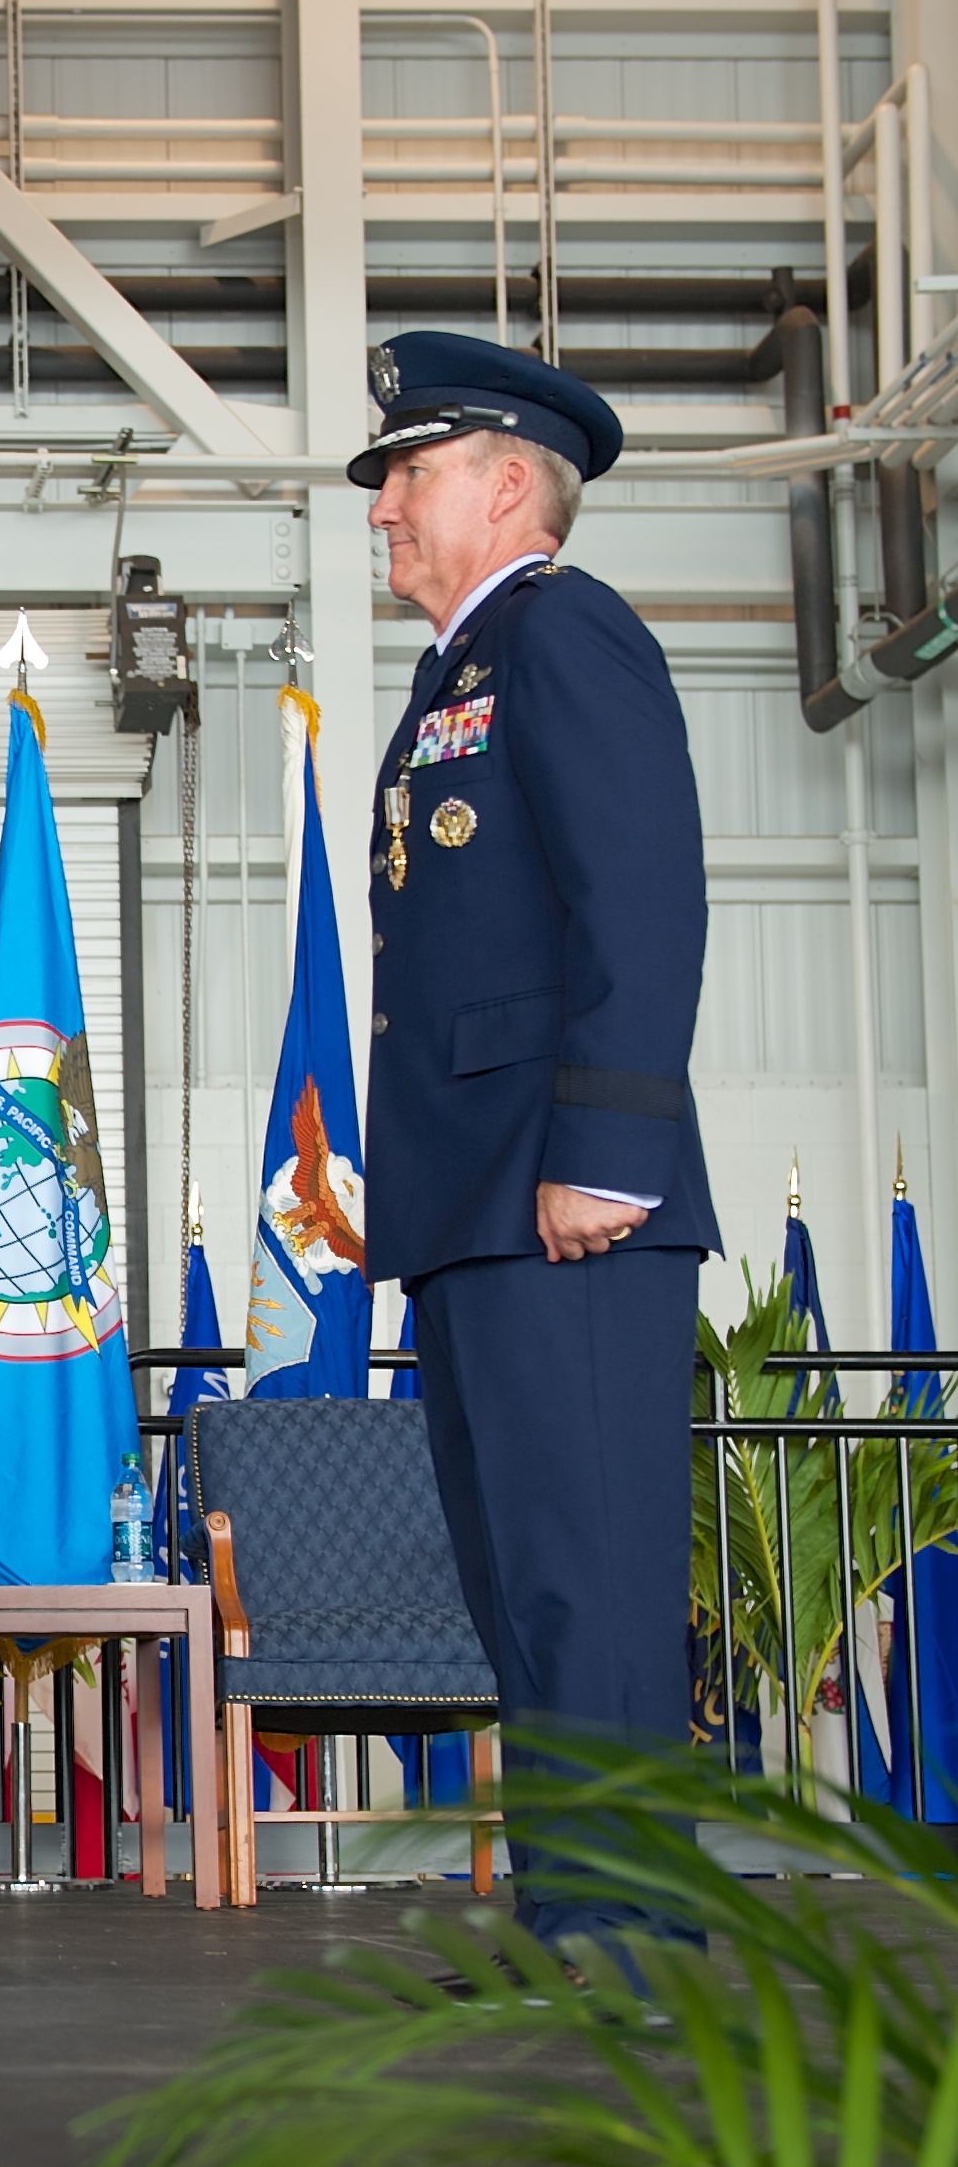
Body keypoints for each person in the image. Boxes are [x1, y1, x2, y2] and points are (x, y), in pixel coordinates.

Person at [355, 331, 719, 1984]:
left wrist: (609, 1151)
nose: (382, 509)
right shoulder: (460, 674)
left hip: (564, 1195)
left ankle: (632, 1932)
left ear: (508, 483)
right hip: (475, 1201)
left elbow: (639, 892)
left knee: (590, 1582)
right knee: (520, 1587)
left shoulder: (563, 633)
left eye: (407, 476)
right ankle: (574, 1914)